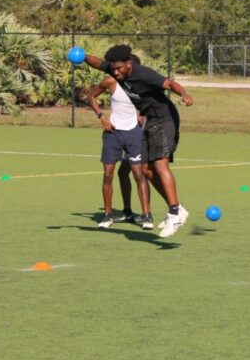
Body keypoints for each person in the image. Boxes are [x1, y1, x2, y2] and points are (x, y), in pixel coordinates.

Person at [83, 45, 194, 238]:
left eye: (119, 69)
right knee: (145, 169)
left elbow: (169, 84)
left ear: (129, 64)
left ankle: (174, 213)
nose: (116, 73)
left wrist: (184, 94)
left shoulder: (144, 74)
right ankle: (177, 208)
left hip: (164, 118)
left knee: (160, 164)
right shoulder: (116, 69)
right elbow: (97, 63)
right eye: (113, 69)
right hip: (149, 121)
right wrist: (82, 55)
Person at [86, 55, 154, 229]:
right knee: (108, 174)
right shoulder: (111, 82)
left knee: (138, 174)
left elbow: (149, 105)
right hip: (113, 133)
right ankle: (108, 215)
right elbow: (91, 97)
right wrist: (102, 117)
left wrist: (142, 114)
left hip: (133, 134)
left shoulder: (141, 86)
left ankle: (147, 216)